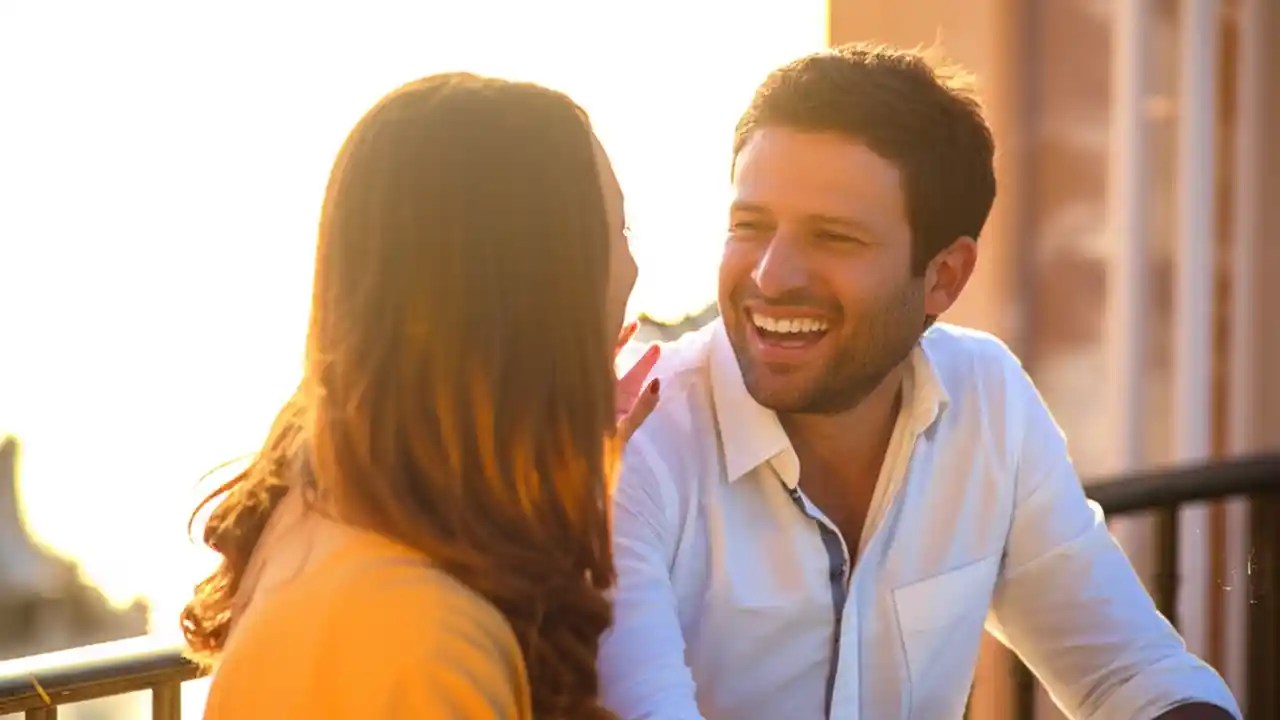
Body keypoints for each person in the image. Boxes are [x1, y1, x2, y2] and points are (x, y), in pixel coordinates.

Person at [598, 43, 1240, 720]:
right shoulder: (636, 439)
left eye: (834, 237)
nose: (771, 275)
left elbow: (1128, 674)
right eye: (750, 227)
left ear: (944, 278)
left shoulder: (988, 398)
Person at [181, 72, 660, 719]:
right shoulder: (425, 641)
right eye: (615, 236)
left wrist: (564, 483)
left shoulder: (314, 507)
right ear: (529, 298)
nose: (631, 271)